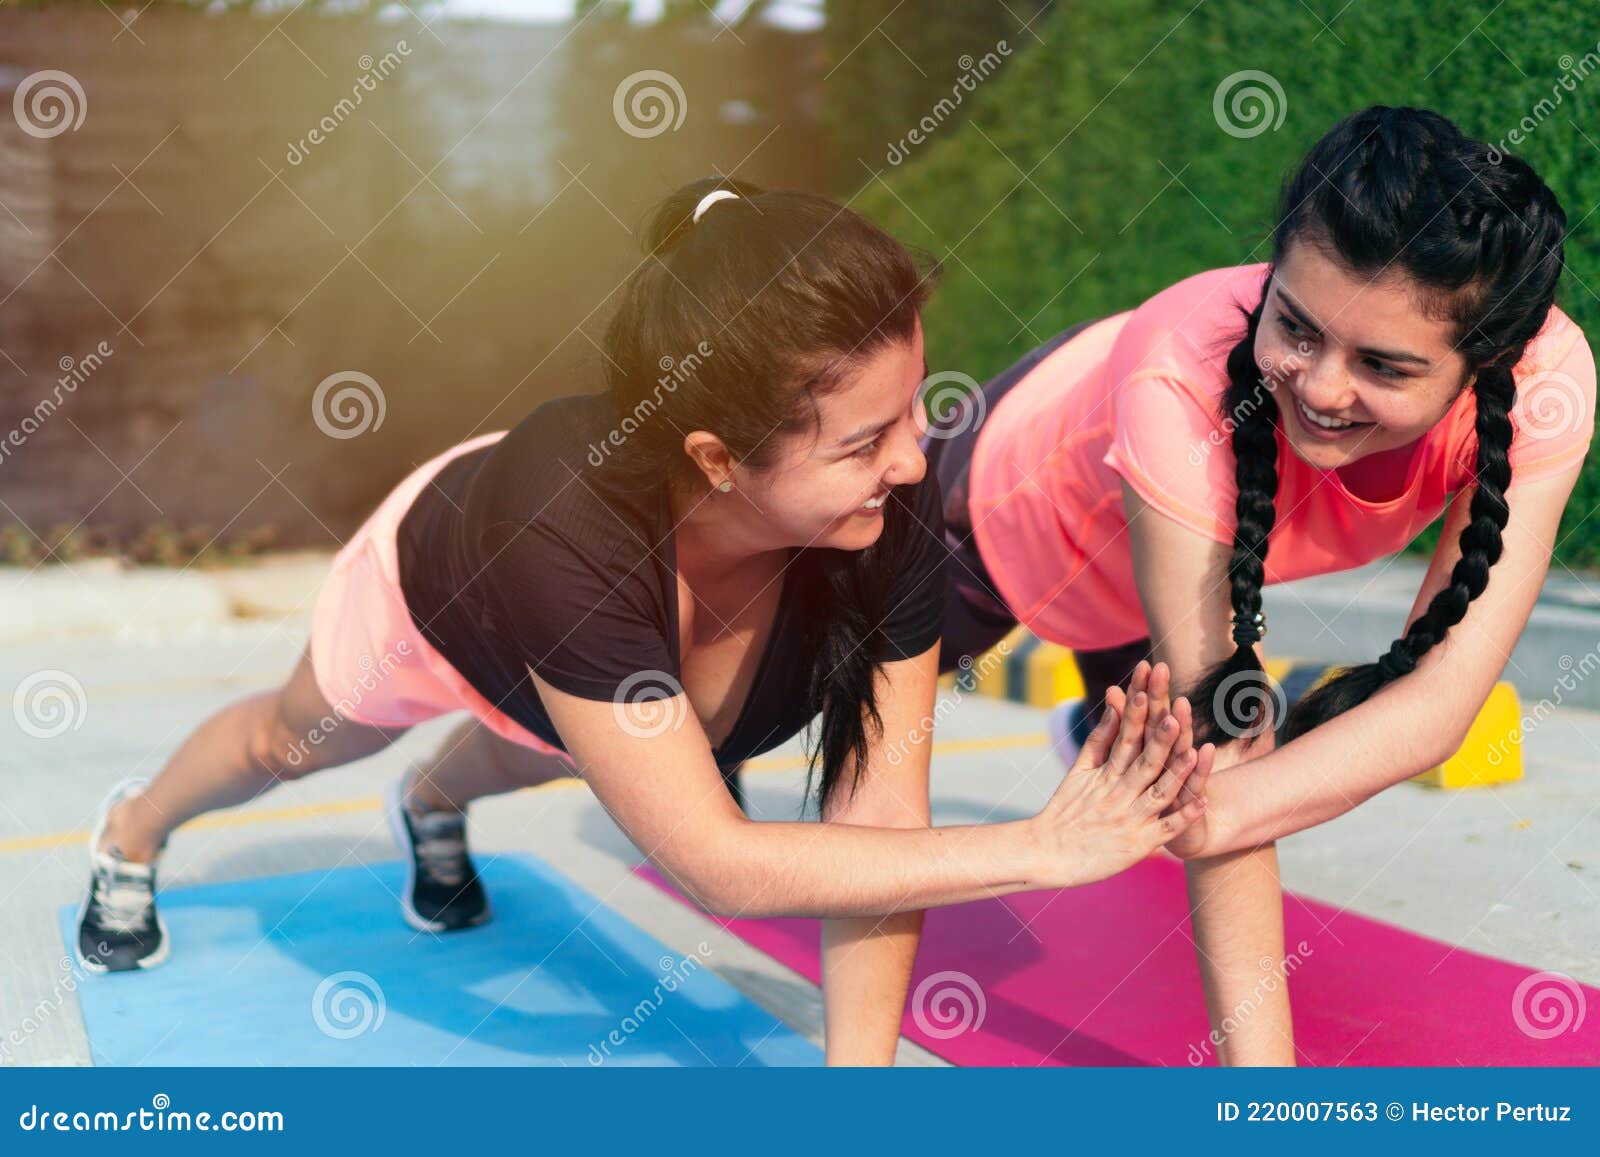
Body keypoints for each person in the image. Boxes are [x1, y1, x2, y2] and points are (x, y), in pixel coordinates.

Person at [76, 177, 1211, 1066]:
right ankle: (130, 831)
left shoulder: (891, 518)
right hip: (446, 597)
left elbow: (878, 844)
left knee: (531, 758)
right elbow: (717, 862)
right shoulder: (556, 523)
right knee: (298, 736)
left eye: (914, 407)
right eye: (864, 442)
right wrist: (1041, 848)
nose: (917, 459)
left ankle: (429, 802)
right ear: (716, 457)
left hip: (586, 672)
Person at [934, 106, 1593, 1065]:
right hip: (999, 501)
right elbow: (1225, 752)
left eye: (1383, 365)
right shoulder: (1181, 383)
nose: (1323, 388)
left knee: (1175, 734)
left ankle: (1093, 727)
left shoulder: (1547, 380)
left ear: (1481, 365)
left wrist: (1198, 807)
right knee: (743, 707)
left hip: (1155, 575)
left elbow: (1438, 700)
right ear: (1269, 276)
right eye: (1295, 326)